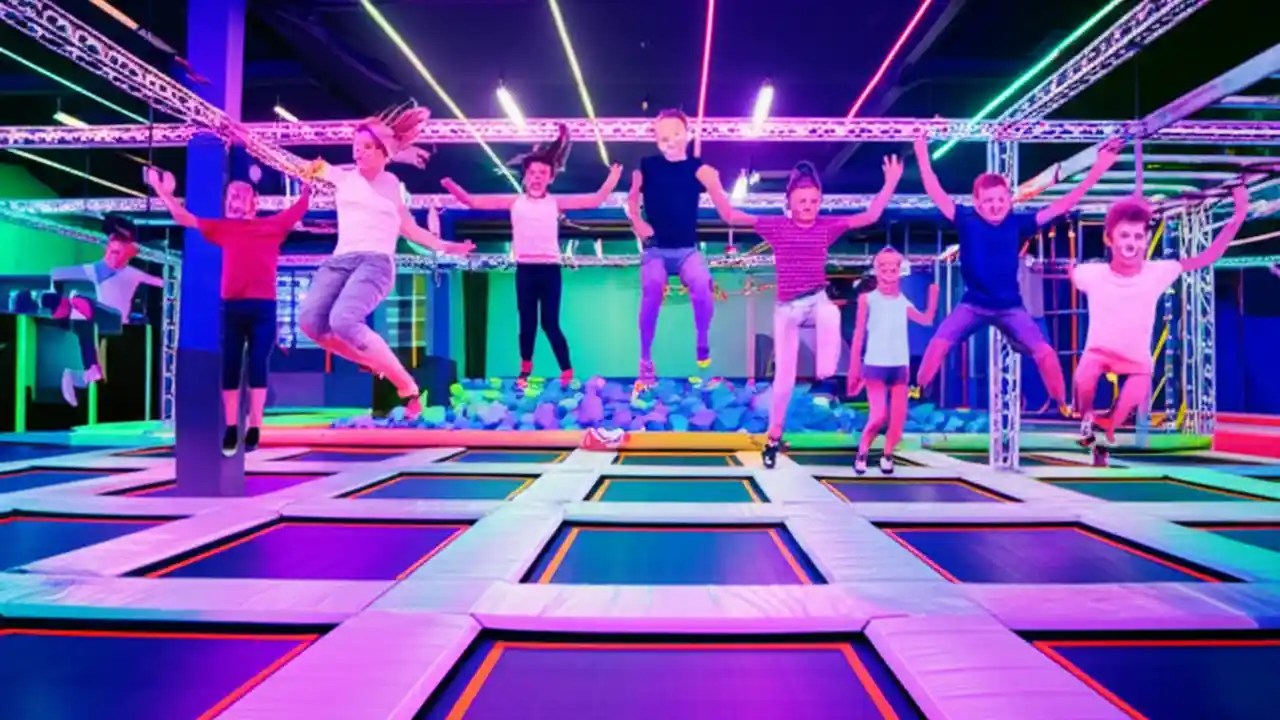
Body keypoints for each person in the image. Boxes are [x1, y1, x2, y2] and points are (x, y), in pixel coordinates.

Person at [705, 157, 903, 468]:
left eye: (813, 201)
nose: (808, 206)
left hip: (816, 299)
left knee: (831, 314)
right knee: (784, 379)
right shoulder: (778, 227)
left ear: (820, 202)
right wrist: (714, 186)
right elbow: (730, 214)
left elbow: (871, 215)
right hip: (787, 309)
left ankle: (826, 368)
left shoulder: (827, 227)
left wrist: (890, 181)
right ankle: (773, 437)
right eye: (802, 202)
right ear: (790, 204)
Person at [913, 136, 1124, 412]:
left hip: (1010, 307)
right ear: (976, 203)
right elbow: (934, 190)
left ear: (1010, 200)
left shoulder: (1018, 224)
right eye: (988, 201)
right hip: (973, 304)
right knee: (939, 343)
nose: (996, 206)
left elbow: (1063, 205)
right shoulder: (966, 219)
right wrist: (921, 152)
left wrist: (1098, 168)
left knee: (1045, 352)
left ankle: (1061, 402)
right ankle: (918, 388)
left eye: (1001, 200)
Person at [296, 104, 473, 419]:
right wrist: (247, 138)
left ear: (381, 153)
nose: (359, 154)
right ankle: (371, 359)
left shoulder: (392, 186)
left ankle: (406, 385)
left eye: (366, 148)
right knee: (310, 323)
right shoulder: (342, 177)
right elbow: (298, 165)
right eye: (355, 148)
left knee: (343, 320)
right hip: (340, 260)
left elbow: (410, 229)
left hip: (376, 262)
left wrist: (446, 246)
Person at [1071, 185, 1249, 461]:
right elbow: (1071, 274)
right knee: (1083, 379)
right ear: (1109, 239)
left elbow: (1208, 257)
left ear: (1147, 239)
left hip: (1136, 360)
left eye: (1138, 237)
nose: (1132, 243)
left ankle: (1106, 430)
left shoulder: (1158, 272)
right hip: (1098, 352)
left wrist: (1238, 217)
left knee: (1132, 397)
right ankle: (1086, 420)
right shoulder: (1092, 274)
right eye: (1124, 236)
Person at [146, 166, 312, 455]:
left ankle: (255, 427)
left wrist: (310, 181)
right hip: (233, 307)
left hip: (263, 308)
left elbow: (302, 205)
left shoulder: (272, 226)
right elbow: (184, 218)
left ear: (254, 202)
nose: (234, 198)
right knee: (231, 366)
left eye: (241, 194)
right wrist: (162, 192)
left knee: (258, 363)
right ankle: (232, 427)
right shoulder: (222, 228)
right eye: (230, 195)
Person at [441, 124, 622, 388]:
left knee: (550, 323)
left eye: (543, 173)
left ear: (550, 178)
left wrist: (613, 178)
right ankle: (525, 369)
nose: (537, 177)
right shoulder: (515, 202)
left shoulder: (555, 202)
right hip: (525, 268)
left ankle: (567, 370)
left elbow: (594, 200)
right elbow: (473, 202)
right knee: (526, 322)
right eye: (533, 173)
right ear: (525, 176)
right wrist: (451, 186)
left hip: (549, 270)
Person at [625, 109, 741, 389]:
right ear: (656, 140)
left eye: (676, 134)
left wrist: (720, 191)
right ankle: (645, 357)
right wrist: (639, 222)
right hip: (656, 249)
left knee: (702, 282)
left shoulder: (698, 168)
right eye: (664, 137)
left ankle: (702, 339)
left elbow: (724, 208)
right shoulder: (646, 166)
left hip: (686, 249)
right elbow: (631, 203)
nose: (671, 141)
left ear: (687, 135)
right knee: (652, 286)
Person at [48, 217, 163, 406]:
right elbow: (57, 273)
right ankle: (86, 373)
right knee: (84, 320)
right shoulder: (94, 270)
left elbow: (161, 281)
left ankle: (86, 374)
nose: (113, 257)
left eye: (118, 253)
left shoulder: (131, 273)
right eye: (110, 252)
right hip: (98, 321)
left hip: (116, 324)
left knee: (88, 323)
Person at [847, 248, 938, 474]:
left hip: (900, 367)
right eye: (884, 268)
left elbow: (926, 320)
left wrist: (933, 297)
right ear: (877, 271)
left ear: (899, 271)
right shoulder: (867, 299)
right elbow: (858, 334)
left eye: (893, 268)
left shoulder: (902, 301)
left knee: (897, 423)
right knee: (878, 416)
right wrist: (854, 369)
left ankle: (887, 455)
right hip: (875, 365)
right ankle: (862, 452)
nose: (889, 273)